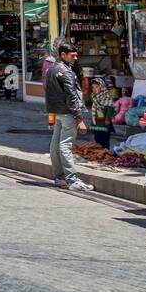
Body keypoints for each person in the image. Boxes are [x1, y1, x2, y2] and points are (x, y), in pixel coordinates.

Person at [44, 40, 94, 192]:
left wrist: (51, 115)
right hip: (67, 113)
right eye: (72, 55)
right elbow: (72, 96)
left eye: (76, 55)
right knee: (65, 145)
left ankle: (59, 178)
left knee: (56, 145)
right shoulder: (65, 71)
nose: (75, 58)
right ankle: (72, 179)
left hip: (57, 111)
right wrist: (80, 119)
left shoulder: (52, 69)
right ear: (63, 55)